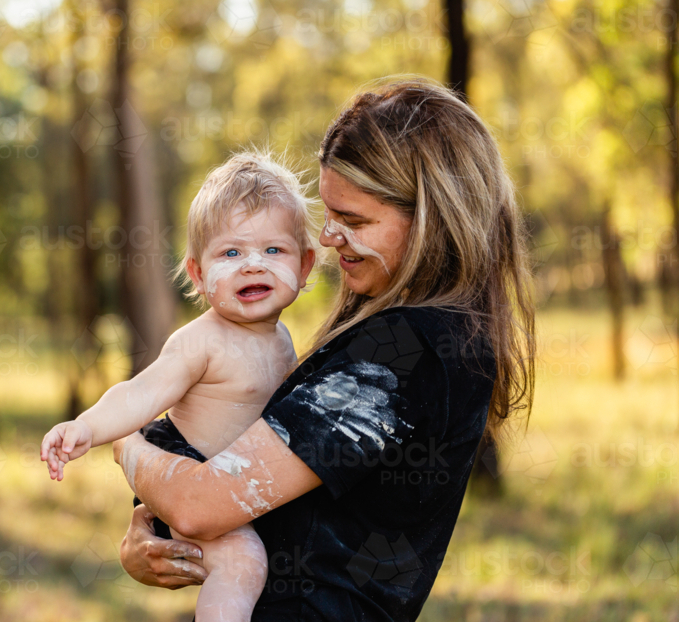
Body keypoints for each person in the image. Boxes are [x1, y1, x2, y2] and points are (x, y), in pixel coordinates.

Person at [113, 78, 536, 621]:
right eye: (330, 215)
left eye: (354, 220)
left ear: (433, 218)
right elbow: (251, 499)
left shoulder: (405, 350)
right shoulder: (424, 333)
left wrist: (127, 445)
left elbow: (200, 503)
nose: (330, 237)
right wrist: (151, 538)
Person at [41, 151, 318, 621]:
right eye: (231, 253)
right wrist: (88, 427)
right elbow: (141, 392)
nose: (253, 266)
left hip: (235, 485)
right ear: (198, 274)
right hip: (185, 469)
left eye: (273, 251)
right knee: (243, 562)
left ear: (306, 264)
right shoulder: (201, 341)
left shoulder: (284, 339)